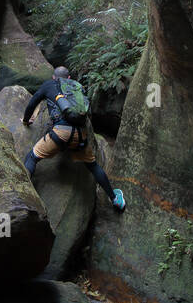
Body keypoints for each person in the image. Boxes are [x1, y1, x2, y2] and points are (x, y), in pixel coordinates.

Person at [21, 65, 126, 211]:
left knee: (32, 157)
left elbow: (32, 103)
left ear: (54, 77)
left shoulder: (49, 85)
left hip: (60, 134)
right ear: (69, 78)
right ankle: (115, 200)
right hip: (80, 136)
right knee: (93, 166)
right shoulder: (77, 87)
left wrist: (26, 120)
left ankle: (22, 195)